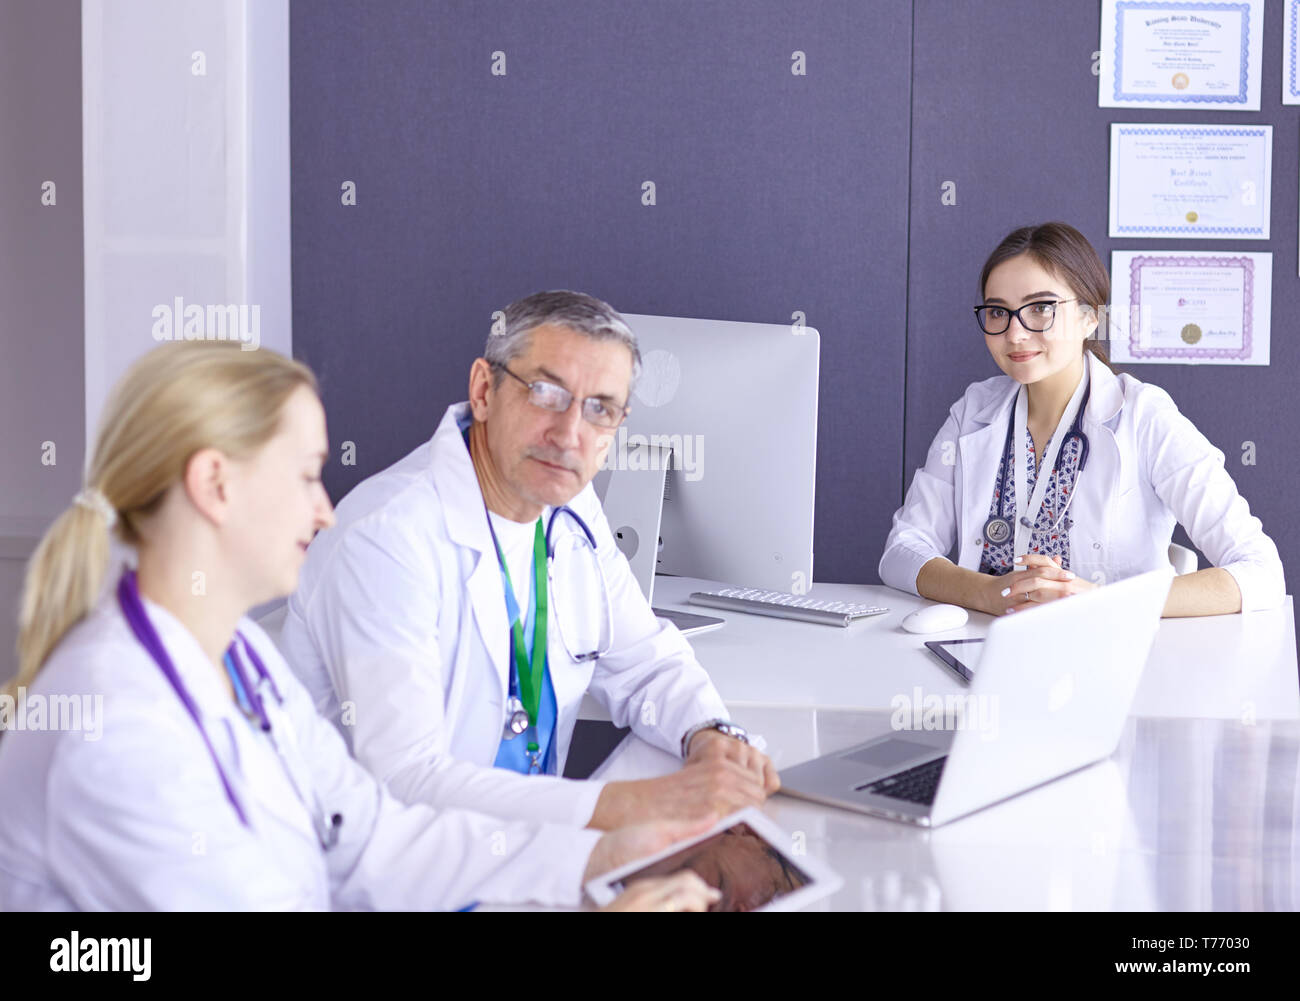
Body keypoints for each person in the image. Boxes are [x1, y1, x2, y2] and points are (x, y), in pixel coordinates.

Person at [0, 340, 717, 912]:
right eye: (307, 474)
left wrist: (600, 859)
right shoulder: (120, 730)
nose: (325, 510)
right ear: (216, 484)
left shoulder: (239, 652)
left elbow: (373, 837)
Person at [278, 290, 779, 830]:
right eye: (545, 393)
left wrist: (707, 736)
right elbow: (405, 779)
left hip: (520, 850)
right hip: (386, 871)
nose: (569, 435)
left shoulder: (569, 506)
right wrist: (625, 810)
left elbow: (646, 663)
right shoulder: (386, 538)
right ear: (483, 391)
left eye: (600, 410)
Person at [880, 222, 1284, 617]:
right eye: (997, 312)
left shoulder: (1145, 417)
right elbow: (901, 551)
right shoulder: (974, 410)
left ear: (1091, 317)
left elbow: (1261, 573)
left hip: (1108, 659)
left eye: (1040, 308)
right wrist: (986, 592)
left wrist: (1101, 602)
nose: (1015, 334)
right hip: (987, 652)